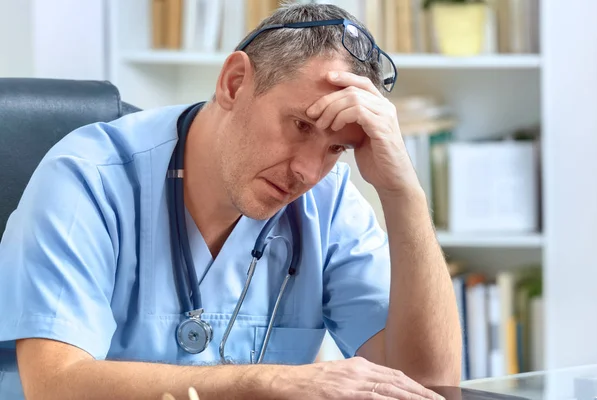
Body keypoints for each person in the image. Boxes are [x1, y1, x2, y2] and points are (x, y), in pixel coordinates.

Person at [0, 3, 461, 399]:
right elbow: (54, 384)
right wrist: (270, 384)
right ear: (235, 82)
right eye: (300, 125)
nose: (307, 171)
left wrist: (404, 194)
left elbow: (427, 385)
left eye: (336, 148)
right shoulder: (89, 179)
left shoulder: (330, 201)